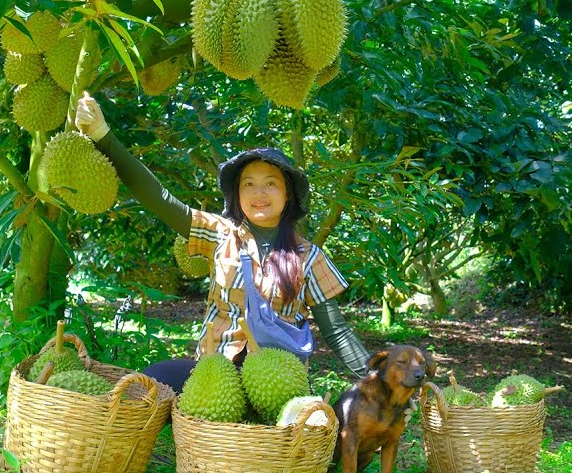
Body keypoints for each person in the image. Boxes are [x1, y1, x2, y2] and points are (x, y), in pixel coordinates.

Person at [73, 93, 371, 393]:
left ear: (288, 194)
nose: (259, 193)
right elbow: (158, 198)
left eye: (271, 183)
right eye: (249, 184)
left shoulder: (308, 257)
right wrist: (102, 134)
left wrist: (382, 384)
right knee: (149, 382)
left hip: (275, 382)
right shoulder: (220, 233)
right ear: (238, 196)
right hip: (215, 374)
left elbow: (338, 332)